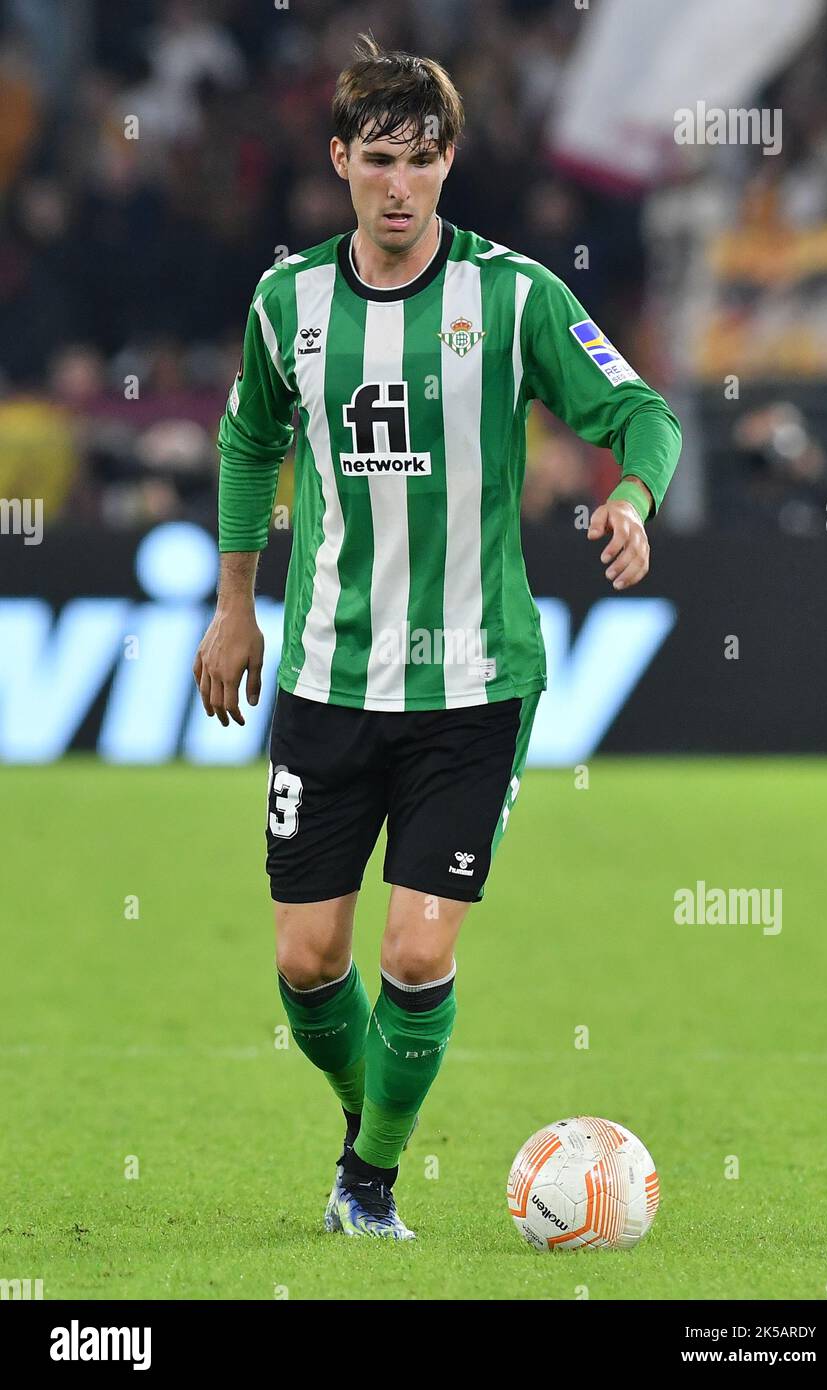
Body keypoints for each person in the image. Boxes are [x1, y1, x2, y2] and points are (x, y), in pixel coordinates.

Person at [193, 35, 682, 1240]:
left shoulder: (513, 297)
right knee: (309, 963)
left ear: (449, 161)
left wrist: (629, 496)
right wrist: (232, 601)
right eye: (377, 160)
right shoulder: (285, 302)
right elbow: (250, 442)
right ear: (339, 163)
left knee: (414, 953)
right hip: (322, 674)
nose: (399, 184)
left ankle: (370, 1180)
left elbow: (637, 408)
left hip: (474, 684)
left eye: (420, 159)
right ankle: (375, 1120)